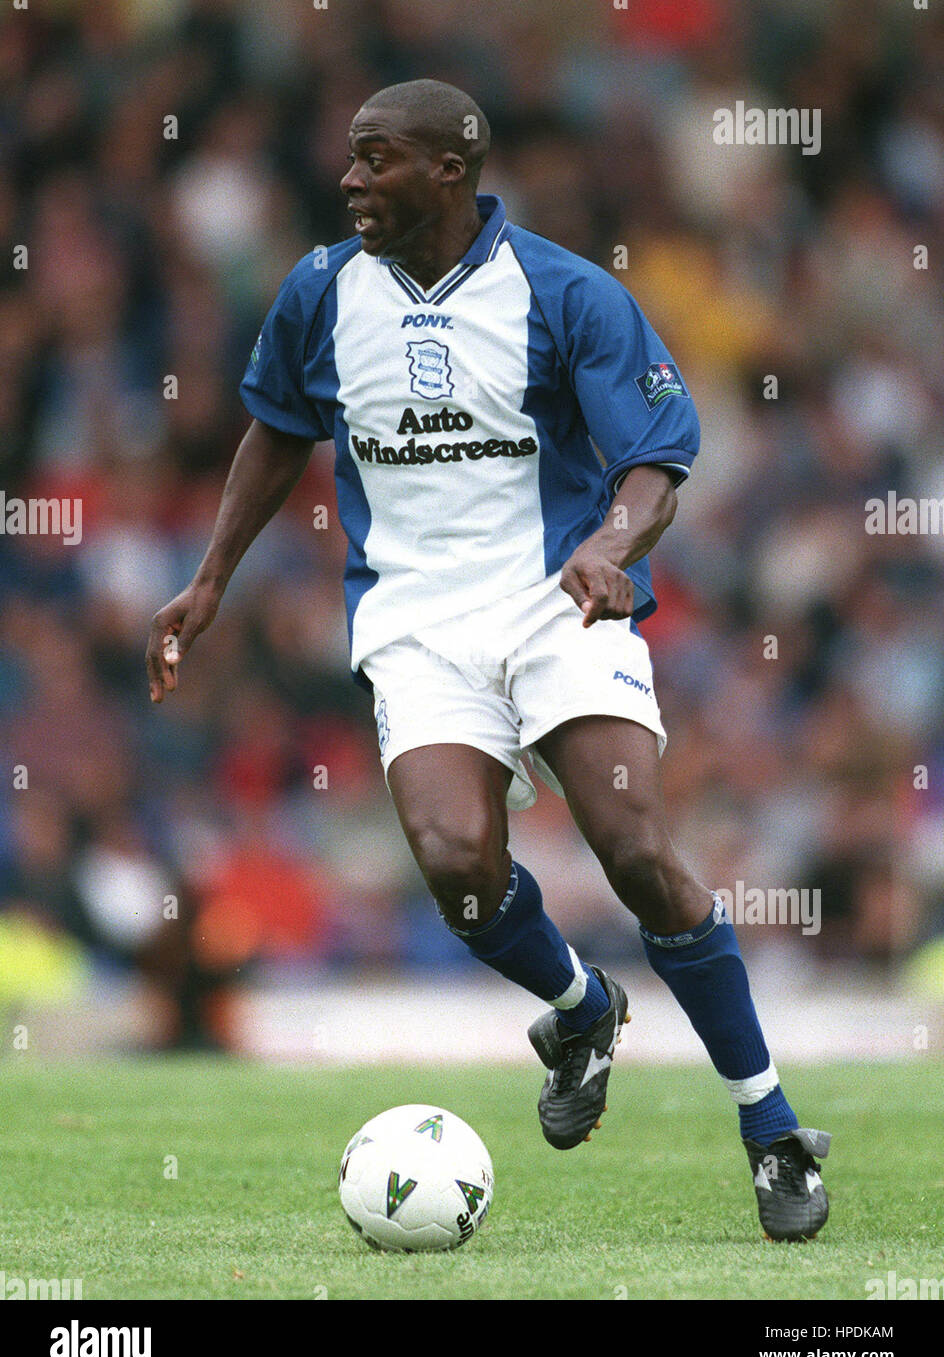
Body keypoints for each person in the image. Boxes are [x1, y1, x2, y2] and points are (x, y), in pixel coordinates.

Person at [146, 79, 830, 1241]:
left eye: (378, 159)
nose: (352, 180)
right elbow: (274, 431)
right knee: (460, 863)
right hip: (414, 619)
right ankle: (577, 1008)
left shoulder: (563, 291)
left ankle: (769, 1131)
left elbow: (655, 458)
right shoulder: (320, 292)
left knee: (634, 850)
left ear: (449, 171)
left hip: (557, 602)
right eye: (350, 159)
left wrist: (613, 549)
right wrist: (209, 580)